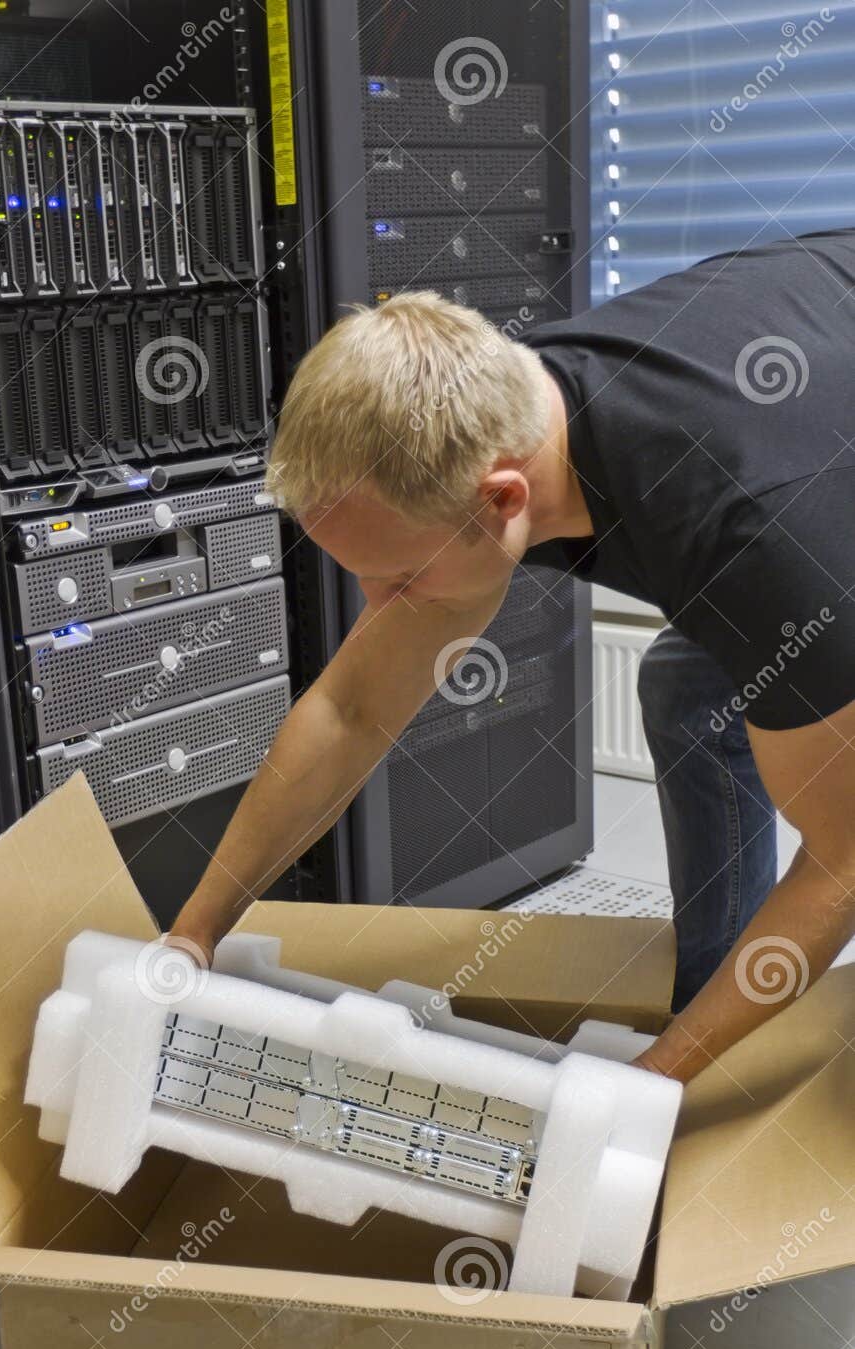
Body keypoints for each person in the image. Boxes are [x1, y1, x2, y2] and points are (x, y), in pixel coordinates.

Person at [170, 229, 855, 1083]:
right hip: (812, 406)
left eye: (401, 577)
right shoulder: (496, 414)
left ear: (503, 500)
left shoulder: (754, 537)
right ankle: (705, 993)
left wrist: (645, 1087)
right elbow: (351, 710)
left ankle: (705, 1057)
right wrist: (194, 930)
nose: (380, 610)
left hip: (805, 490)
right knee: (690, 686)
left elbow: (840, 862)